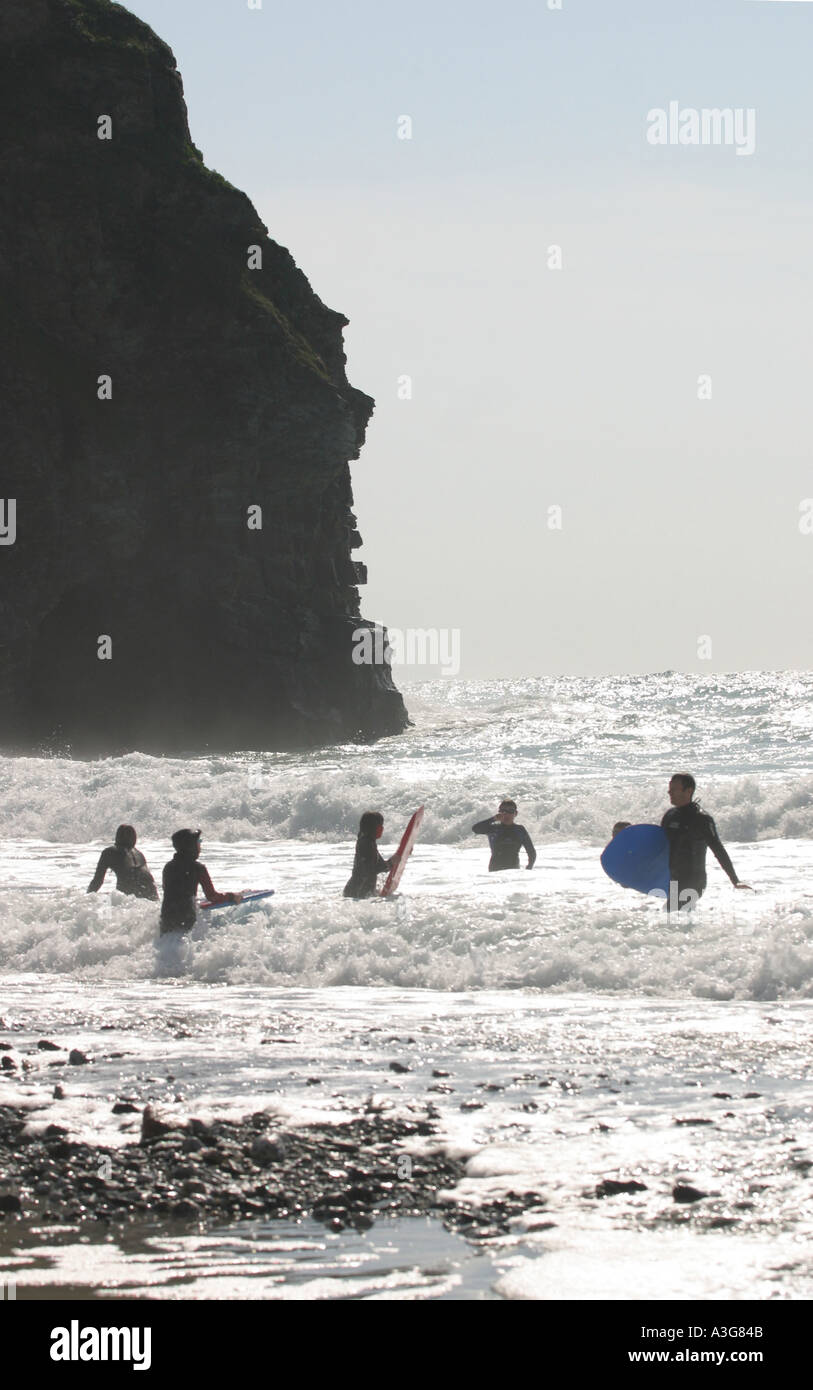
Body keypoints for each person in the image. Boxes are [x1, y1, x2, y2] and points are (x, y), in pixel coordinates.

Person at [661, 773, 751, 911]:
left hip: (694, 881)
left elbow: (718, 849)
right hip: (674, 880)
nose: (669, 792)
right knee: (674, 919)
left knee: (672, 917)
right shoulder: (670, 816)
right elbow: (658, 847)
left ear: (688, 791)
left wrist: (735, 880)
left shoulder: (701, 819)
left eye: (674, 789)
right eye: (669, 788)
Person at [160, 829, 240, 934]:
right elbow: (212, 896)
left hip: (166, 916)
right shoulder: (198, 868)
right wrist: (232, 897)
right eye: (199, 842)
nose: (200, 846)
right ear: (191, 846)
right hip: (186, 917)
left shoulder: (168, 867)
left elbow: (169, 891)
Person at [87, 824, 158, 900]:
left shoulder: (109, 852)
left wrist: (86, 899)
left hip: (130, 891)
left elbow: (97, 881)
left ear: (117, 837)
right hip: (151, 891)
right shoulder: (139, 854)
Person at [472, 800, 536, 871]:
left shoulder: (519, 830)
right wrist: (493, 819)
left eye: (510, 811)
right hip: (495, 872)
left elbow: (531, 852)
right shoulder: (493, 828)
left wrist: (528, 868)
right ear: (499, 813)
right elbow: (475, 829)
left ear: (516, 813)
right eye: (502, 811)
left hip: (513, 872)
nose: (506, 814)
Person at [343, 811, 395, 899]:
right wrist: (391, 863)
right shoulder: (366, 844)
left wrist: (398, 857)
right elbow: (370, 870)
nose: (382, 828)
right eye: (380, 826)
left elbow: (380, 865)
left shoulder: (367, 842)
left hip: (355, 892)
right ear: (375, 828)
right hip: (357, 893)